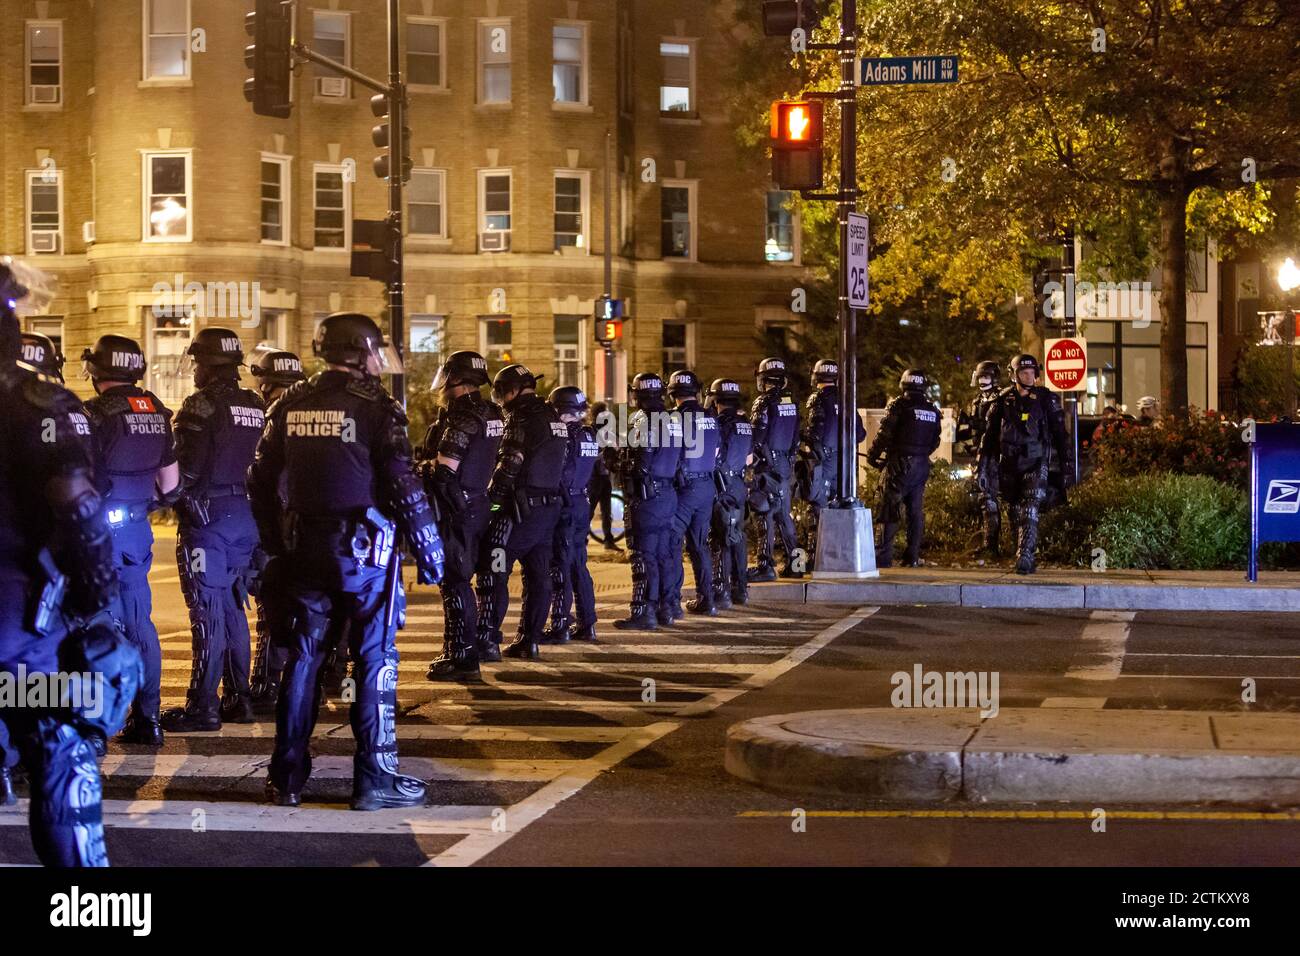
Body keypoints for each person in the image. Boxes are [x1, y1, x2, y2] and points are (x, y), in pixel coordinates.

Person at [248, 312, 444, 809]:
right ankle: (376, 780)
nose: (379, 360)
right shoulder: (376, 408)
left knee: (303, 660)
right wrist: (430, 549)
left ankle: (285, 779)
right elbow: (401, 483)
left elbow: (259, 479)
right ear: (360, 353)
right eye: (375, 351)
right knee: (374, 659)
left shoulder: (290, 404)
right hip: (366, 556)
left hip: (302, 552)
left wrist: (276, 542)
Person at [1, 255, 140, 866]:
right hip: (20, 628)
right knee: (63, 743)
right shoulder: (36, 404)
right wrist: (95, 599)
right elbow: (78, 508)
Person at [163, 328, 266, 732]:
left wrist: (171, 500)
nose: (194, 371)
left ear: (207, 365)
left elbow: (185, 470)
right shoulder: (254, 405)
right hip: (246, 515)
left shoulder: (199, 406)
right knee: (232, 610)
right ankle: (238, 699)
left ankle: (202, 705)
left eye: (197, 363)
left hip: (208, 518)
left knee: (206, 613)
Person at [80, 335, 180, 746]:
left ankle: (98, 725)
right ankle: (149, 720)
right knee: (140, 624)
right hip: (137, 529)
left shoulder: (93, 415)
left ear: (97, 371)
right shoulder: (156, 410)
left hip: (96, 530)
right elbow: (170, 484)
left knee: (98, 623)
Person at [474, 365, 568, 660]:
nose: (501, 399)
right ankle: (529, 640)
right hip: (548, 512)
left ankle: (487, 640)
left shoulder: (520, 419)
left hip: (518, 513)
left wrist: (490, 506)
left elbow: (509, 467)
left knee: (493, 570)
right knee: (538, 575)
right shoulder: (553, 416)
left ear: (513, 390)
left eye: (502, 393)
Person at [422, 351, 503, 682]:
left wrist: (422, 470)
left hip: (457, 508)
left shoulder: (462, 418)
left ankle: (461, 655)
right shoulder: (491, 412)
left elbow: (445, 471)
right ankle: (467, 648)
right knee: (466, 580)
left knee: (454, 582)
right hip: (479, 503)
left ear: (454, 379)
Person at [246, 347, 306, 711]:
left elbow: (261, 478)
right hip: (315, 528)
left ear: (267, 385)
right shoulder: (318, 411)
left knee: (273, 608)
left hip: (280, 527)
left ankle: (266, 685)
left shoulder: (276, 416)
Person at [979, 353, 1069, 575]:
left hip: (1036, 463)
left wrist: (1066, 465)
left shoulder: (1047, 399)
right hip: (1009, 465)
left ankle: (1025, 556)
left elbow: (1060, 434)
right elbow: (989, 439)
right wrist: (982, 467)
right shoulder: (1001, 401)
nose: (1029, 377)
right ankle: (1017, 550)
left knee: (1030, 507)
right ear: (1014, 375)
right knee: (1015, 509)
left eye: (1032, 373)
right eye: (1024, 373)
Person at [613, 373, 682, 631]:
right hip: (668, 495)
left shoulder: (644, 423)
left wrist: (618, 462)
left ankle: (643, 611)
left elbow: (640, 466)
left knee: (643, 556)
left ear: (638, 394)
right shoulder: (674, 420)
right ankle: (667, 608)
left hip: (647, 497)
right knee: (664, 555)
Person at [868, 369, 942, 568]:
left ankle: (882, 557)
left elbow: (884, 433)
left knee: (888, 508)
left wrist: (874, 455)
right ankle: (912, 557)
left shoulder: (899, 405)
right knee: (915, 511)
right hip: (921, 465)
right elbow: (936, 440)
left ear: (904, 384)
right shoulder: (932, 410)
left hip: (899, 464)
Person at [543, 386, 600, 643]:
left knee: (560, 566)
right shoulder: (589, 435)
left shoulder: (563, 438)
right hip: (581, 503)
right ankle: (587, 623)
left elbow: (558, 474)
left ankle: (560, 625)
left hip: (564, 506)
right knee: (579, 564)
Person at [796, 358, 866, 564]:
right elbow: (860, 434)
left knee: (816, 506)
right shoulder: (848, 399)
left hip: (824, 460)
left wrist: (802, 438)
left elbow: (815, 431)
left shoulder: (817, 399)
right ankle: (839, 555)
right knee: (840, 507)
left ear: (816, 377)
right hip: (844, 460)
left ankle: (813, 557)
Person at [664, 370, 721, 615]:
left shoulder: (674, 419)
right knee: (699, 545)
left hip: (684, 489)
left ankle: (672, 603)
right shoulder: (710, 417)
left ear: (672, 393)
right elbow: (717, 452)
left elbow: (668, 456)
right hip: (707, 487)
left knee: (673, 543)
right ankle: (706, 599)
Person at [747, 357, 802, 581]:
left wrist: (755, 463)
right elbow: (797, 437)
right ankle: (798, 565)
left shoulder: (763, 403)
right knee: (784, 515)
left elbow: (757, 438)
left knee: (764, 514)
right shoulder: (791, 403)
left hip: (767, 466)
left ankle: (765, 566)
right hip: (785, 465)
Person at [706, 378, 752, 609]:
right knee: (737, 536)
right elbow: (750, 458)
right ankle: (740, 589)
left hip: (721, 485)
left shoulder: (719, 424)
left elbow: (712, 455)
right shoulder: (744, 423)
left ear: (715, 400)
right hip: (739, 485)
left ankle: (721, 591)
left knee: (720, 538)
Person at [955, 360, 1003, 556]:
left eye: (986, 377)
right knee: (986, 499)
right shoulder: (977, 401)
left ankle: (994, 545)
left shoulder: (1000, 399)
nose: (982, 381)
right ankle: (989, 543)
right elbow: (970, 431)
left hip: (995, 455)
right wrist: (964, 426)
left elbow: (995, 430)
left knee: (994, 498)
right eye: (980, 377)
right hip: (979, 453)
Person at [587, 401, 620, 550]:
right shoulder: (590, 431)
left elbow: (616, 447)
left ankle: (608, 540)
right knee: (589, 511)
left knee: (607, 511)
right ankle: (581, 539)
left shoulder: (607, 431)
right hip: (593, 477)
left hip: (604, 476)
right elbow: (589, 453)